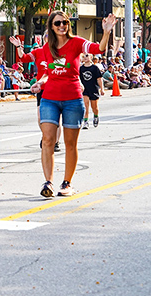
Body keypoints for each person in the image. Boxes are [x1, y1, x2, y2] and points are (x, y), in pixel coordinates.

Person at [29, 11, 116, 198]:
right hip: (49, 99)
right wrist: (40, 83)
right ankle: (48, 183)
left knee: (70, 143)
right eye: (58, 23)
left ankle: (67, 183)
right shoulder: (47, 48)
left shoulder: (76, 42)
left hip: (73, 99)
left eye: (65, 22)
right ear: (51, 27)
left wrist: (107, 32)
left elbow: (98, 49)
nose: (62, 25)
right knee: (48, 140)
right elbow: (47, 72)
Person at [80, 54, 104, 129]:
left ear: (91, 57)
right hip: (84, 89)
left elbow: (99, 79)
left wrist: (102, 89)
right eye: (84, 57)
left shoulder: (95, 68)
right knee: (85, 106)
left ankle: (96, 116)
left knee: (94, 107)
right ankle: (86, 122)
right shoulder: (81, 68)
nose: (85, 58)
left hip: (93, 89)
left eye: (87, 56)